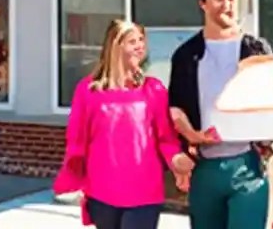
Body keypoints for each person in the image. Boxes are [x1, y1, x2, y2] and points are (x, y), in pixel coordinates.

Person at [55, 19, 195, 229]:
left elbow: (166, 139)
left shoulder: (153, 90)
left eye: (141, 40)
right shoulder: (88, 91)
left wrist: (178, 162)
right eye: (132, 41)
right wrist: (73, 175)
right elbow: (77, 139)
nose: (140, 46)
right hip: (102, 191)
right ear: (115, 46)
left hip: (144, 192)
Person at [168, 0, 273, 229]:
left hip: (247, 163)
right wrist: (192, 135)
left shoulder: (256, 49)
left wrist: (268, 144)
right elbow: (176, 107)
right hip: (205, 165)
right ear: (202, 3)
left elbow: (272, 104)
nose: (227, 6)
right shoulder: (186, 54)